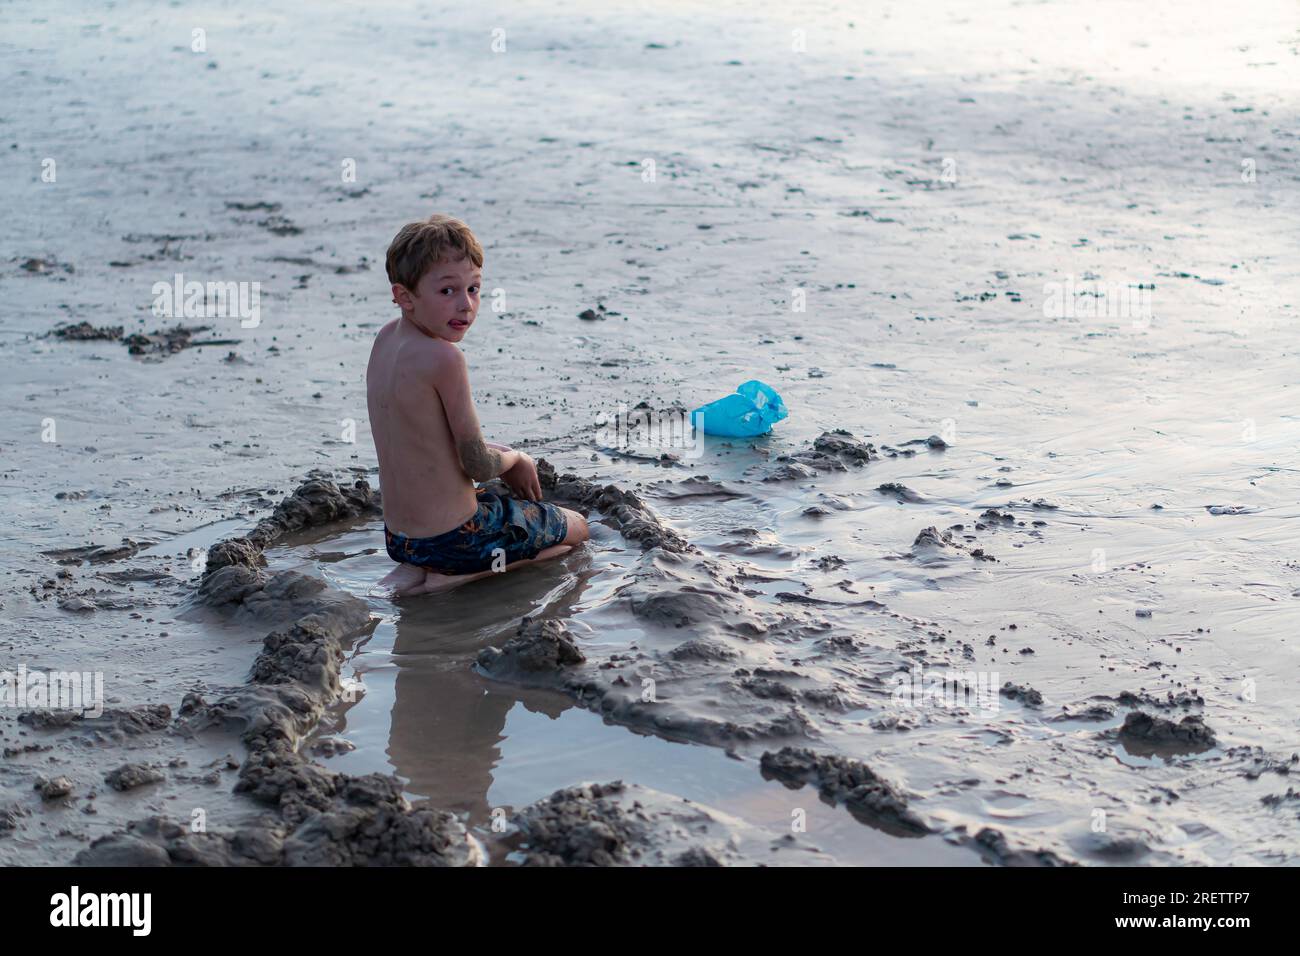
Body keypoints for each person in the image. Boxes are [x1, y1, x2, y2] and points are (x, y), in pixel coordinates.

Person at [366, 214, 588, 597]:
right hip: (456, 540)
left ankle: (418, 571)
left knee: (493, 506)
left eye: (474, 289)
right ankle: (455, 576)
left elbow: (434, 443)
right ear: (405, 296)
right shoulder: (444, 359)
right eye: (447, 291)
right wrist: (517, 458)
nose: (466, 305)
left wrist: (500, 455)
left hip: (401, 541)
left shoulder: (386, 340)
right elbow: (477, 465)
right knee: (577, 530)